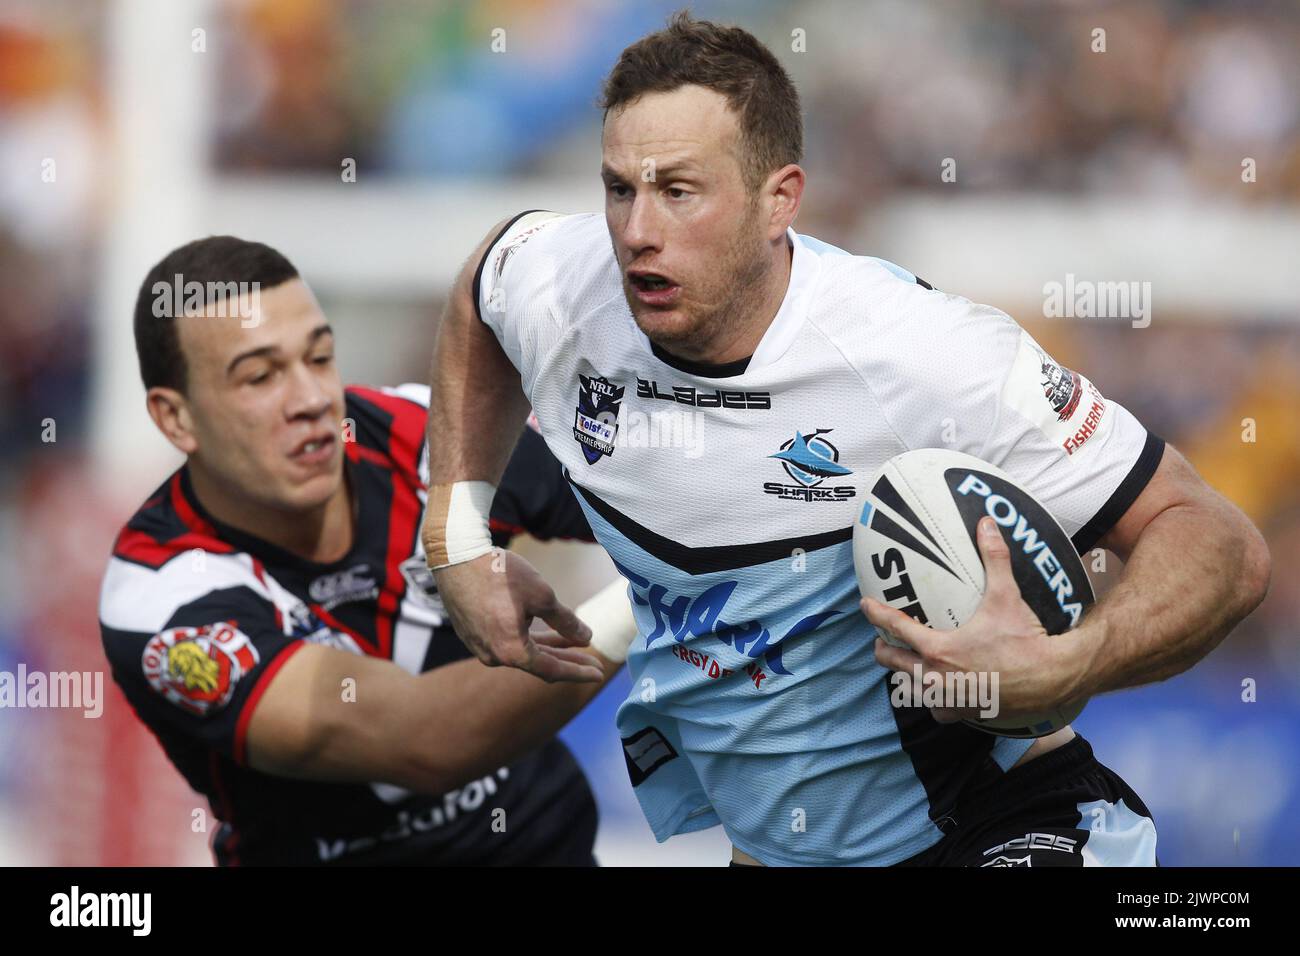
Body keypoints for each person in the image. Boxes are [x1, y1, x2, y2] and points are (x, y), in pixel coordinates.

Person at [419, 13, 1273, 867]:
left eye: (679, 191)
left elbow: (1219, 543)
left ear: (779, 198)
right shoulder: (566, 284)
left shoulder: (925, 355)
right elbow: (481, 289)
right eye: (618, 189)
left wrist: (1072, 664)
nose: (638, 229)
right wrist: (458, 542)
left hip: (1003, 825)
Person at [99, 236, 635, 866]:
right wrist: (656, 598)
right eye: (261, 376)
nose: (311, 401)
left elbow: (655, 508)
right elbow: (424, 741)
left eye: (319, 357)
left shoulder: (420, 435)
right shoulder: (164, 600)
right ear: (176, 419)